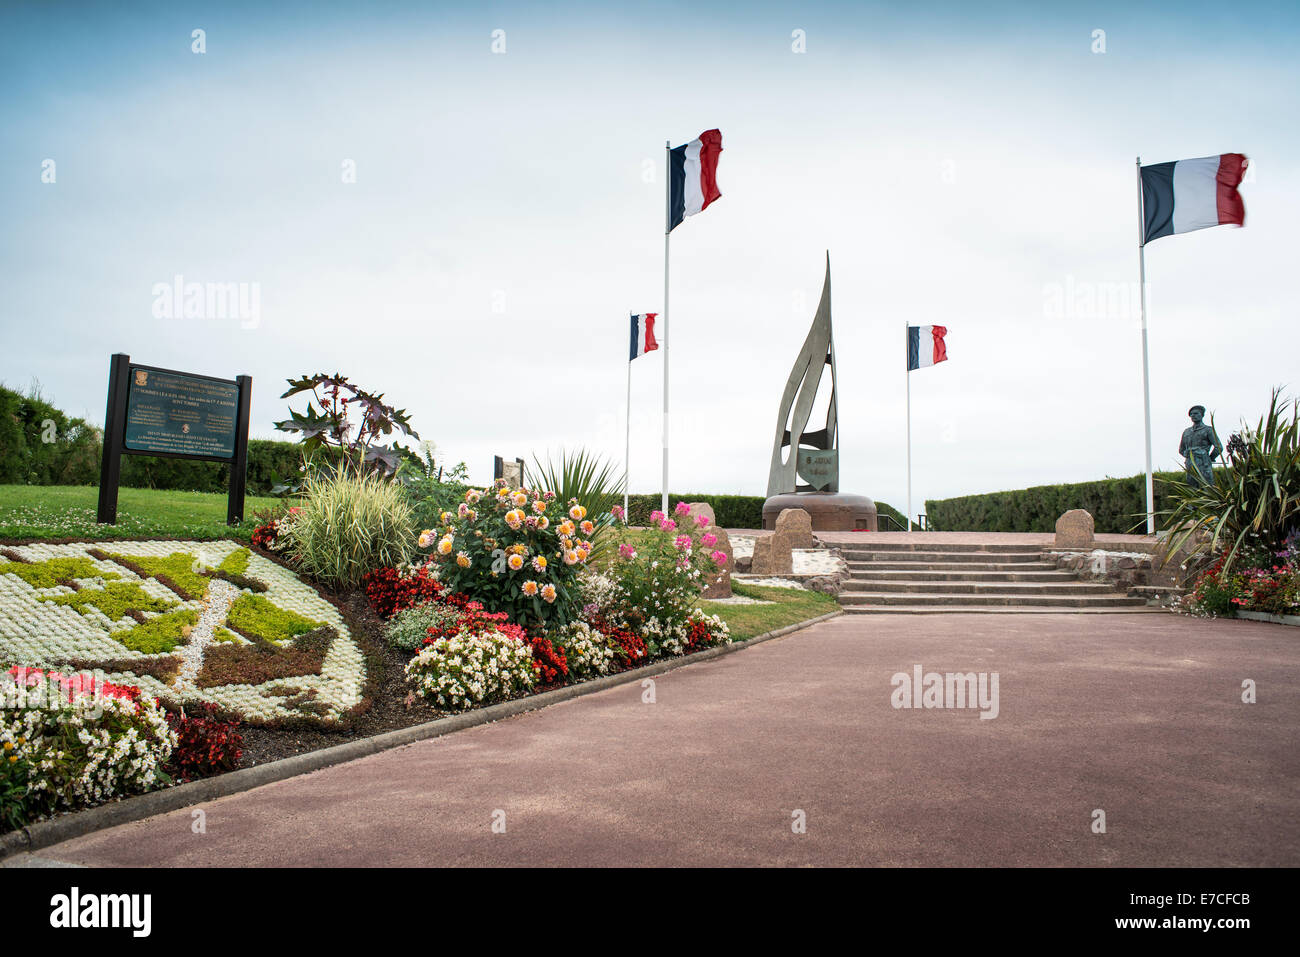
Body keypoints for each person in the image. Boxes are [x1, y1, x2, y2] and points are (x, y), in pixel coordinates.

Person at [1179, 405, 1222, 486]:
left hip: (1203, 464)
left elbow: (1218, 447)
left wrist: (1209, 458)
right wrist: (1187, 454)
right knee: (1192, 488)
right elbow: (1181, 450)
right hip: (1190, 464)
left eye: (1196, 413)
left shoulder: (1208, 430)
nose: (1193, 415)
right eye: (1191, 414)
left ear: (1202, 415)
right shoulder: (1186, 432)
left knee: (1207, 487)